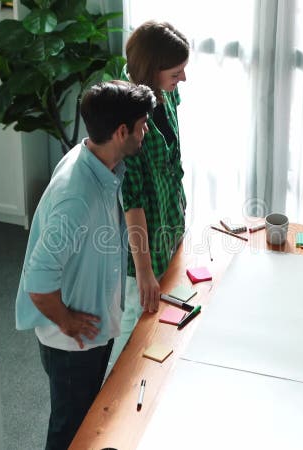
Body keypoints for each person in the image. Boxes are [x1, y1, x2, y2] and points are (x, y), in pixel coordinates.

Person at [14, 81, 155, 450]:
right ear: (121, 131)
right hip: (72, 343)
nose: (146, 131)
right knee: (69, 428)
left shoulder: (98, 162)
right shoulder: (76, 197)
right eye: (142, 125)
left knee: (84, 415)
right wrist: (67, 320)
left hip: (91, 332)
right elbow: (38, 280)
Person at [107, 21, 191, 371]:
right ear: (152, 70)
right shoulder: (127, 119)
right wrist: (143, 271)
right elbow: (133, 200)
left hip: (170, 222)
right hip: (143, 245)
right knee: (133, 329)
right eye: (177, 72)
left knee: (163, 320)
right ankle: (108, 407)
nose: (183, 79)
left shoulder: (165, 93)